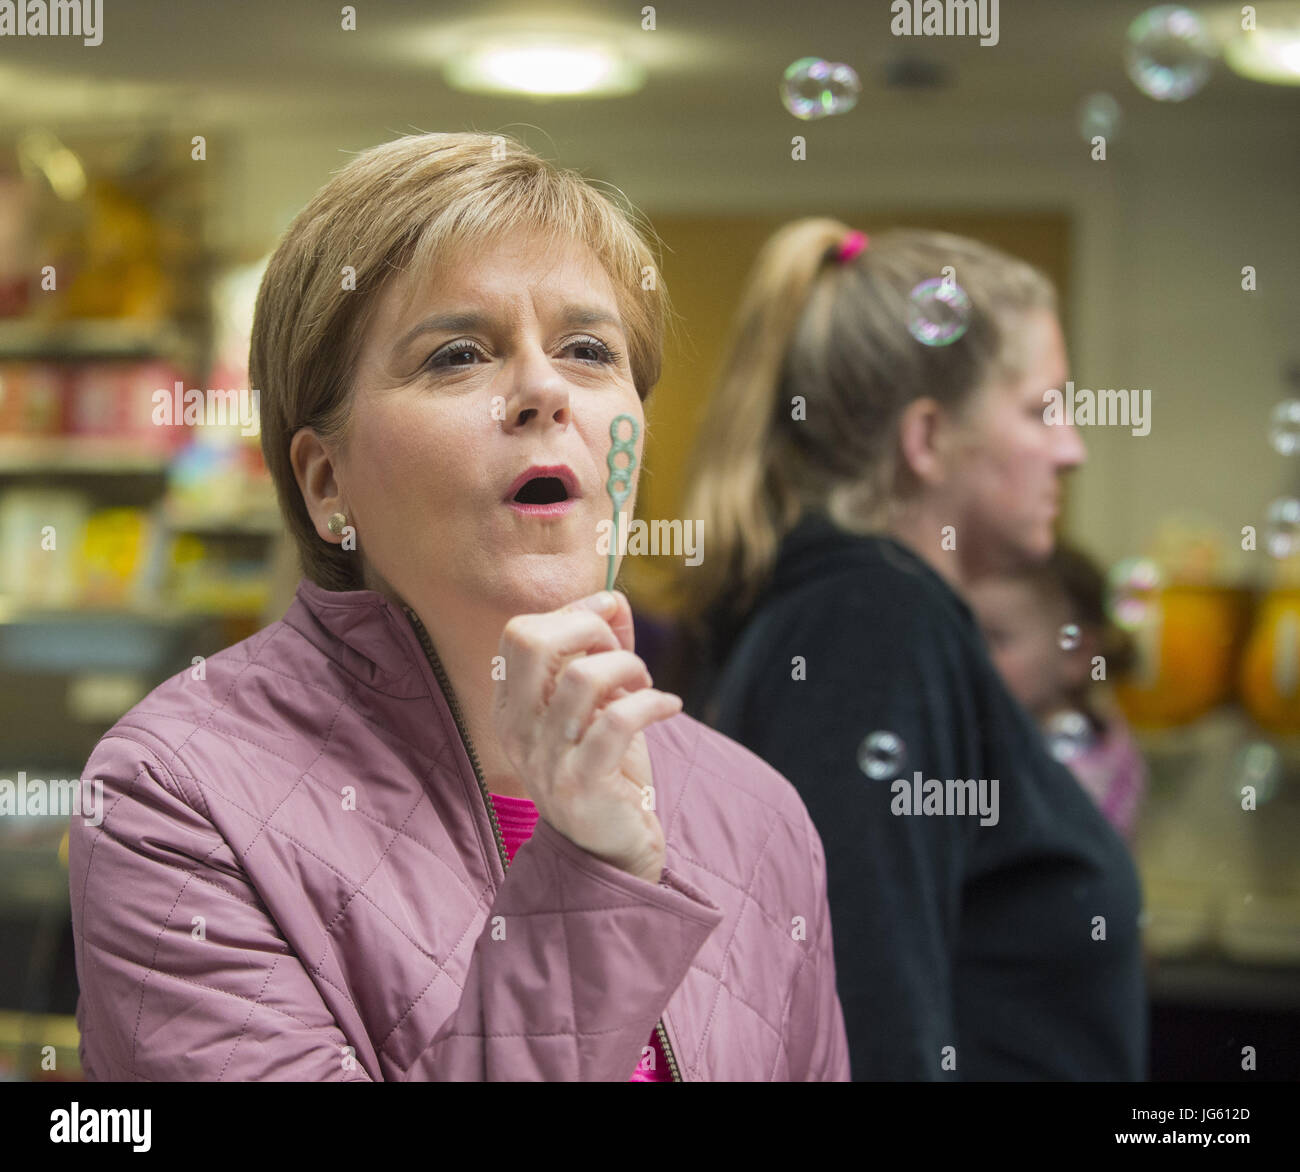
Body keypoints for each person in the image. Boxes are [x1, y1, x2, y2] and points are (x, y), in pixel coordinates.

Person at [67, 134, 850, 1082]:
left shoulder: (757, 816)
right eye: (458, 355)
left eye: (588, 350)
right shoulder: (178, 799)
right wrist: (587, 871)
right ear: (325, 484)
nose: (542, 390)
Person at [669, 219, 1147, 1080]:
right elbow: (863, 1015)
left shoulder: (848, 610)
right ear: (925, 438)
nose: (1071, 450)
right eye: (1042, 410)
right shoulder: (875, 621)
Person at [969, 544, 1148, 843]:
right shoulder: (1097, 739)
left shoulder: (1078, 778)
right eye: (966, 635)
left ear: (1076, 654)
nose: (972, 655)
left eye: (995, 639)